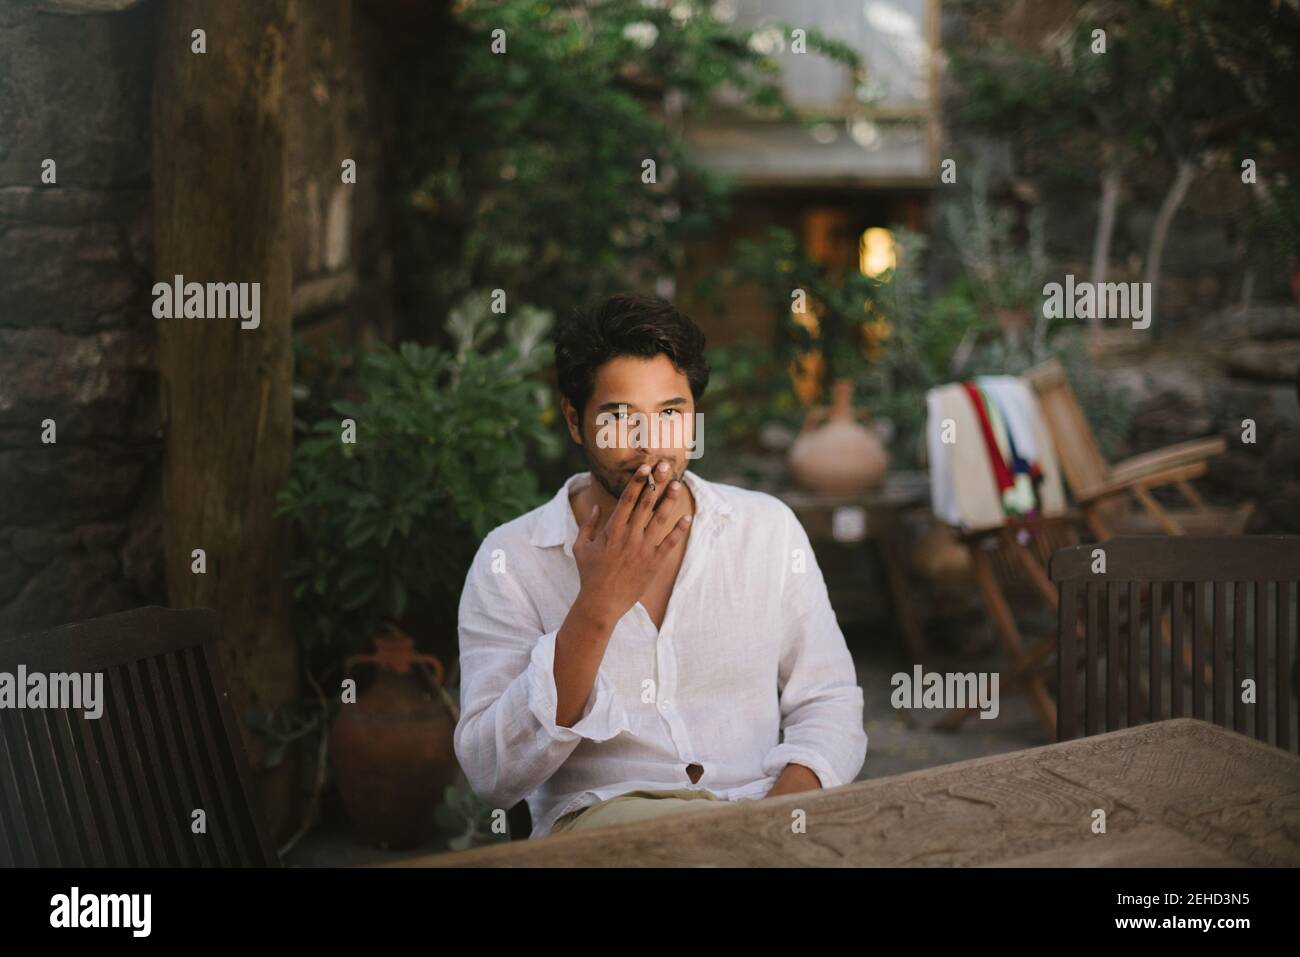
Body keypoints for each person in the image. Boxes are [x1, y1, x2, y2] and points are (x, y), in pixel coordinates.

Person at [453, 293, 867, 839]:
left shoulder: (767, 531)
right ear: (575, 422)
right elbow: (492, 774)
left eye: (671, 413)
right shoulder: (511, 559)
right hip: (607, 830)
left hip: (763, 818)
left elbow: (830, 702)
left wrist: (771, 822)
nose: (652, 445)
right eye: (620, 417)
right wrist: (596, 608)